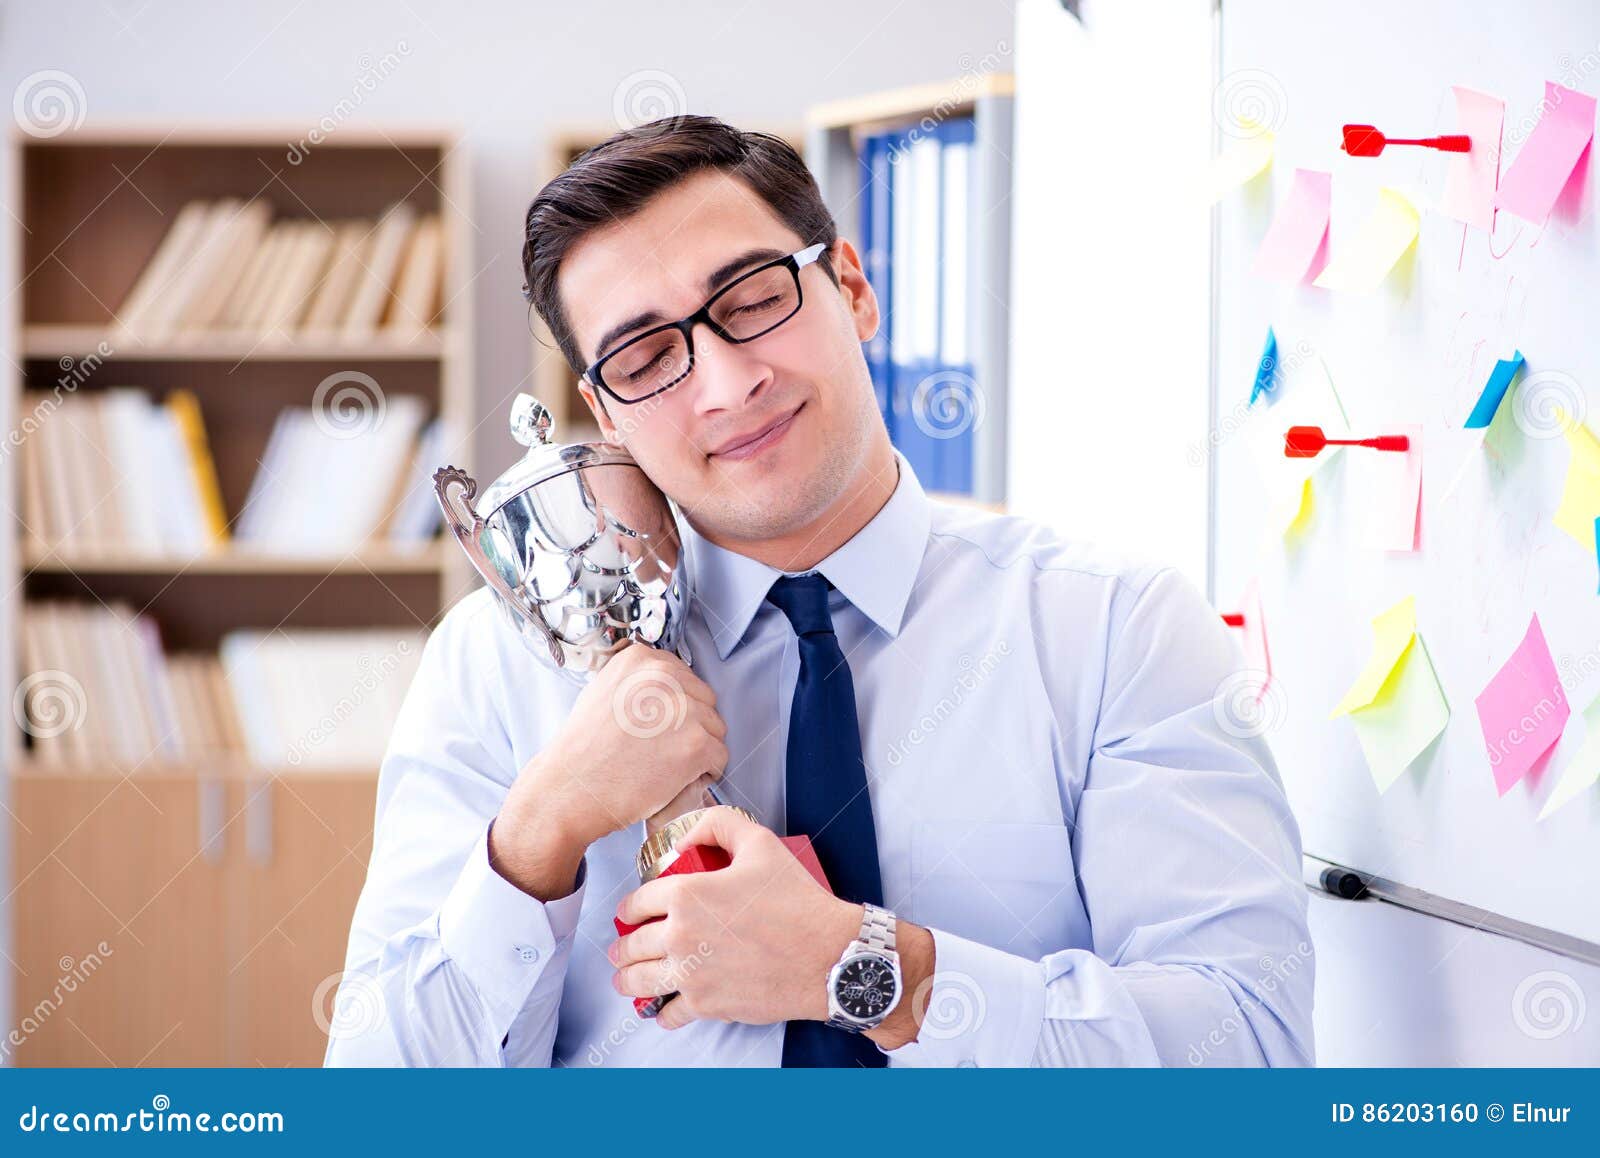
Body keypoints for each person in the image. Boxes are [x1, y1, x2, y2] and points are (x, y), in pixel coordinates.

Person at [325, 115, 1315, 1067]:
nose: (723, 384)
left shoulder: (1114, 629)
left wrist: (869, 970)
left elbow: (1249, 1053)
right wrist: (535, 838)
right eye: (645, 357)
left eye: (753, 298)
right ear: (605, 412)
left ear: (852, 287)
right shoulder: (497, 668)